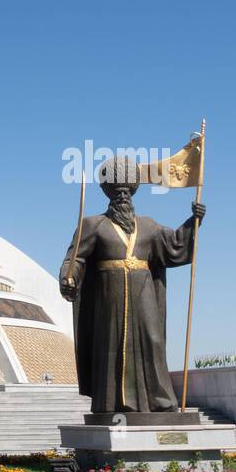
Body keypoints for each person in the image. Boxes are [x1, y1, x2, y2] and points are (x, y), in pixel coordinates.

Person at [59, 155, 205, 412]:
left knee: (152, 340)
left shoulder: (148, 225)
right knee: (112, 345)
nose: (123, 196)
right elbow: (76, 257)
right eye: (117, 191)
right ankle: (112, 404)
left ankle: (159, 402)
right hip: (109, 294)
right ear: (109, 193)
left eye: (127, 191)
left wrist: (193, 222)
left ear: (134, 193)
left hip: (144, 290)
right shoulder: (93, 224)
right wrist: (69, 277)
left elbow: (174, 247)